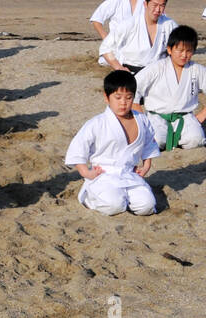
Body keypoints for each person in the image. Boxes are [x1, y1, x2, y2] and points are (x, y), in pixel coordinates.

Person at [65, 70, 160, 217]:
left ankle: (127, 198)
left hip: (130, 174)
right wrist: (86, 172)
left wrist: (147, 165)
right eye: (118, 97)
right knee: (114, 205)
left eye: (128, 98)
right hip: (104, 175)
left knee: (146, 206)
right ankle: (90, 197)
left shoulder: (142, 120)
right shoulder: (97, 123)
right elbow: (78, 148)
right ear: (107, 97)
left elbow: (149, 144)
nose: (123, 102)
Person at [133, 25, 206, 150]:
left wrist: (202, 116)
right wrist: (141, 117)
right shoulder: (156, 68)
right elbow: (133, 88)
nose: (184, 55)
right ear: (170, 49)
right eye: (180, 50)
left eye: (188, 51)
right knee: (155, 140)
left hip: (185, 117)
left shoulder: (197, 70)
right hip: (157, 117)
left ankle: (180, 138)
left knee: (197, 140)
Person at [100, 0, 174, 72]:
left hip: (159, 72)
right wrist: (118, 67)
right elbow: (105, 48)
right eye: (154, 5)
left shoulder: (170, 25)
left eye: (162, 6)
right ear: (145, 4)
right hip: (131, 71)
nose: (157, 10)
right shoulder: (129, 24)